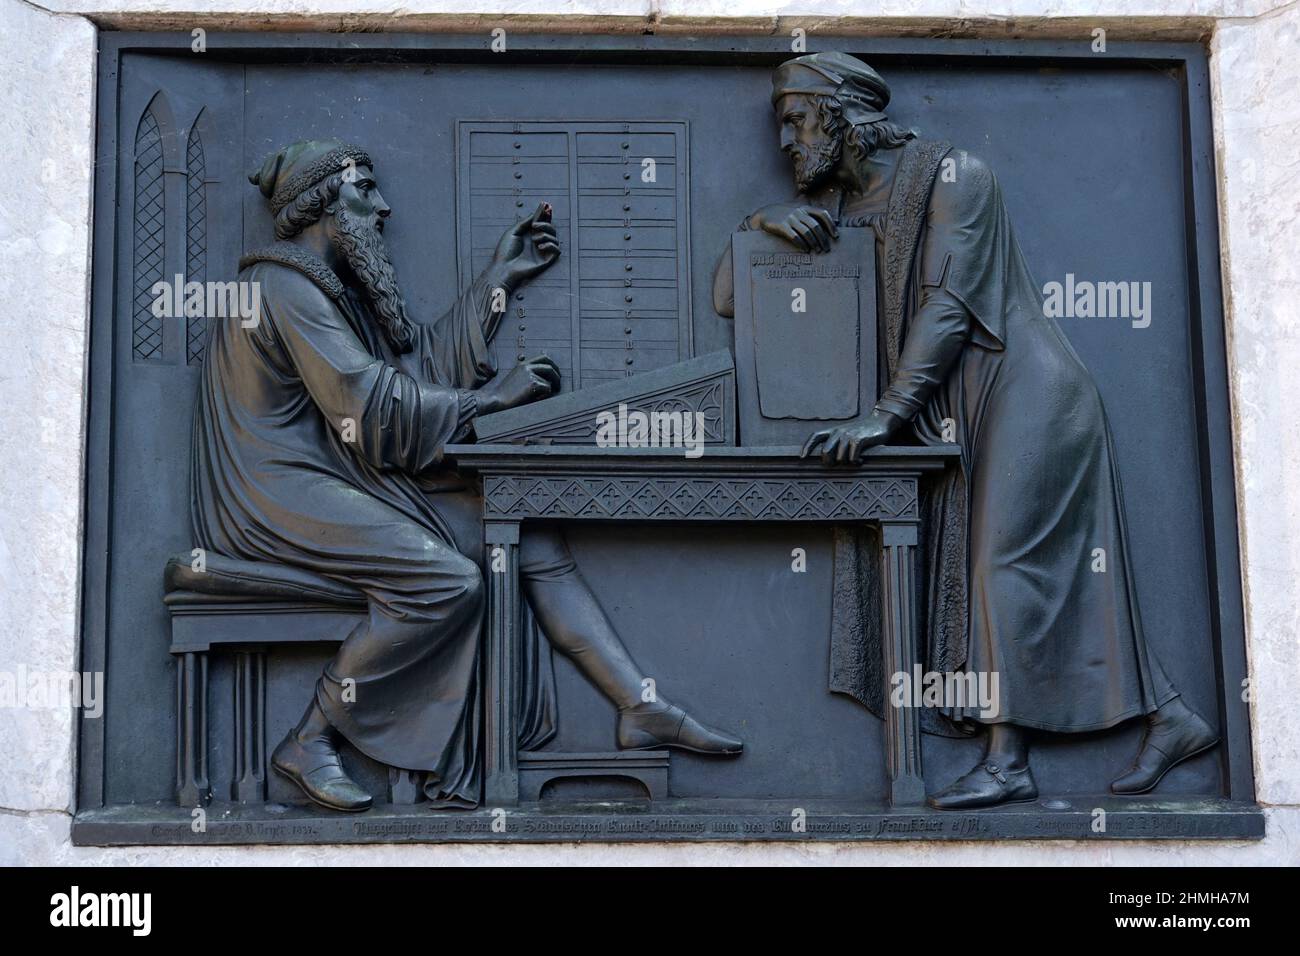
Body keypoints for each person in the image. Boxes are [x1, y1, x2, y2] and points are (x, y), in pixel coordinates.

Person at [712, 54, 1217, 809]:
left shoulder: (957, 177)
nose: (785, 140)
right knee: (1051, 576)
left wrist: (885, 416)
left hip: (1025, 394)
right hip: (948, 407)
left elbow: (949, 307)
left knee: (999, 569)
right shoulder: (837, 216)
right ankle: (1171, 716)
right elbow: (730, 301)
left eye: (794, 118)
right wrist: (757, 228)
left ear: (840, 114)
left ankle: (1009, 761)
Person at [193, 139, 742, 812]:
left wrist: (498, 282)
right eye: (366, 190)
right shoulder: (283, 288)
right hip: (273, 492)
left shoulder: (328, 290)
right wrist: (493, 400)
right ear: (325, 206)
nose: (385, 206)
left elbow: (411, 373)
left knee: (525, 531)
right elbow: (369, 409)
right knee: (448, 580)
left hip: (327, 475)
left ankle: (638, 704)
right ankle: (310, 736)